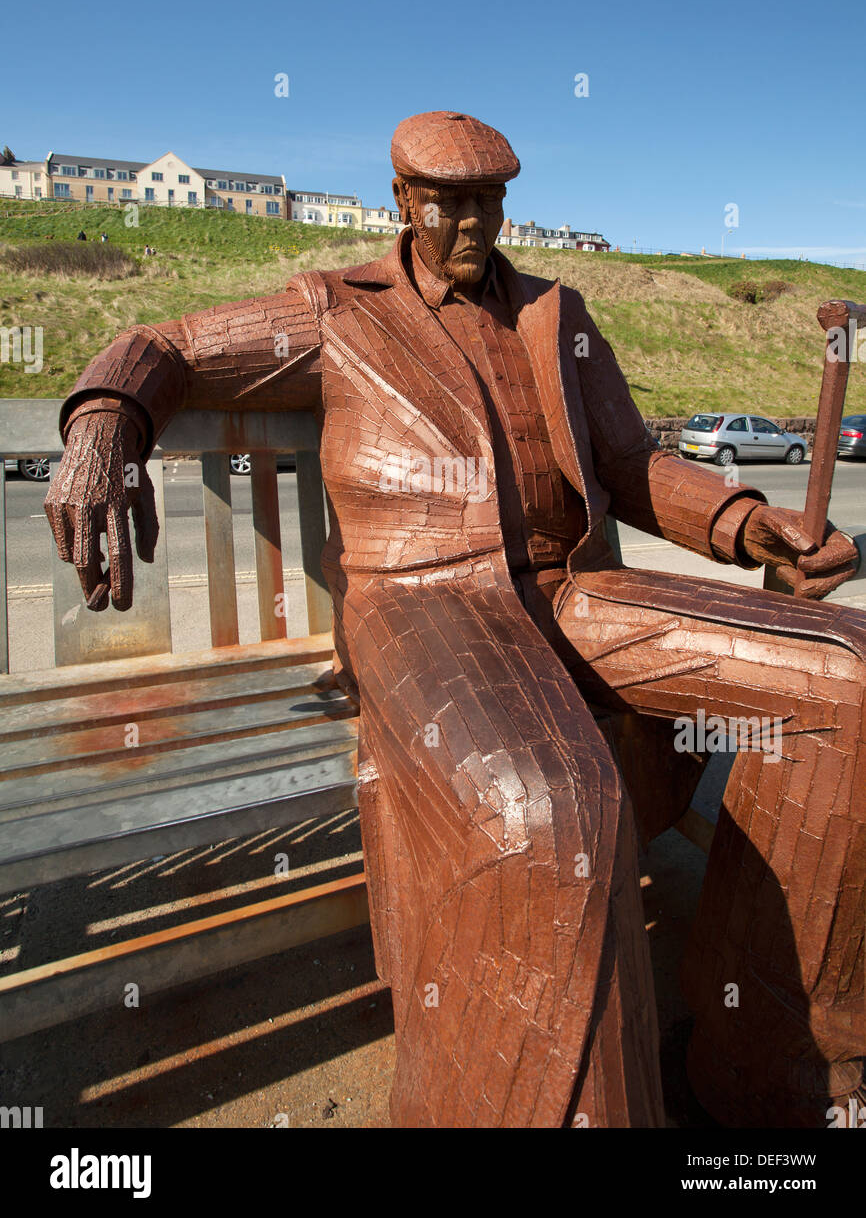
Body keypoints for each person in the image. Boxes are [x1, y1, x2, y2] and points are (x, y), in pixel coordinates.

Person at [43, 111, 863, 1129]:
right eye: (449, 202)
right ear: (402, 202)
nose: (473, 222)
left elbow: (627, 464)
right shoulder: (336, 310)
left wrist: (745, 524)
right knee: (553, 806)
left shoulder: (556, 313)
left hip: (571, 591)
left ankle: (763, 1062)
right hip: (425, 606)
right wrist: (104, 420)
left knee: (846, 675)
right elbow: (162, 345)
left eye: (489, 200)